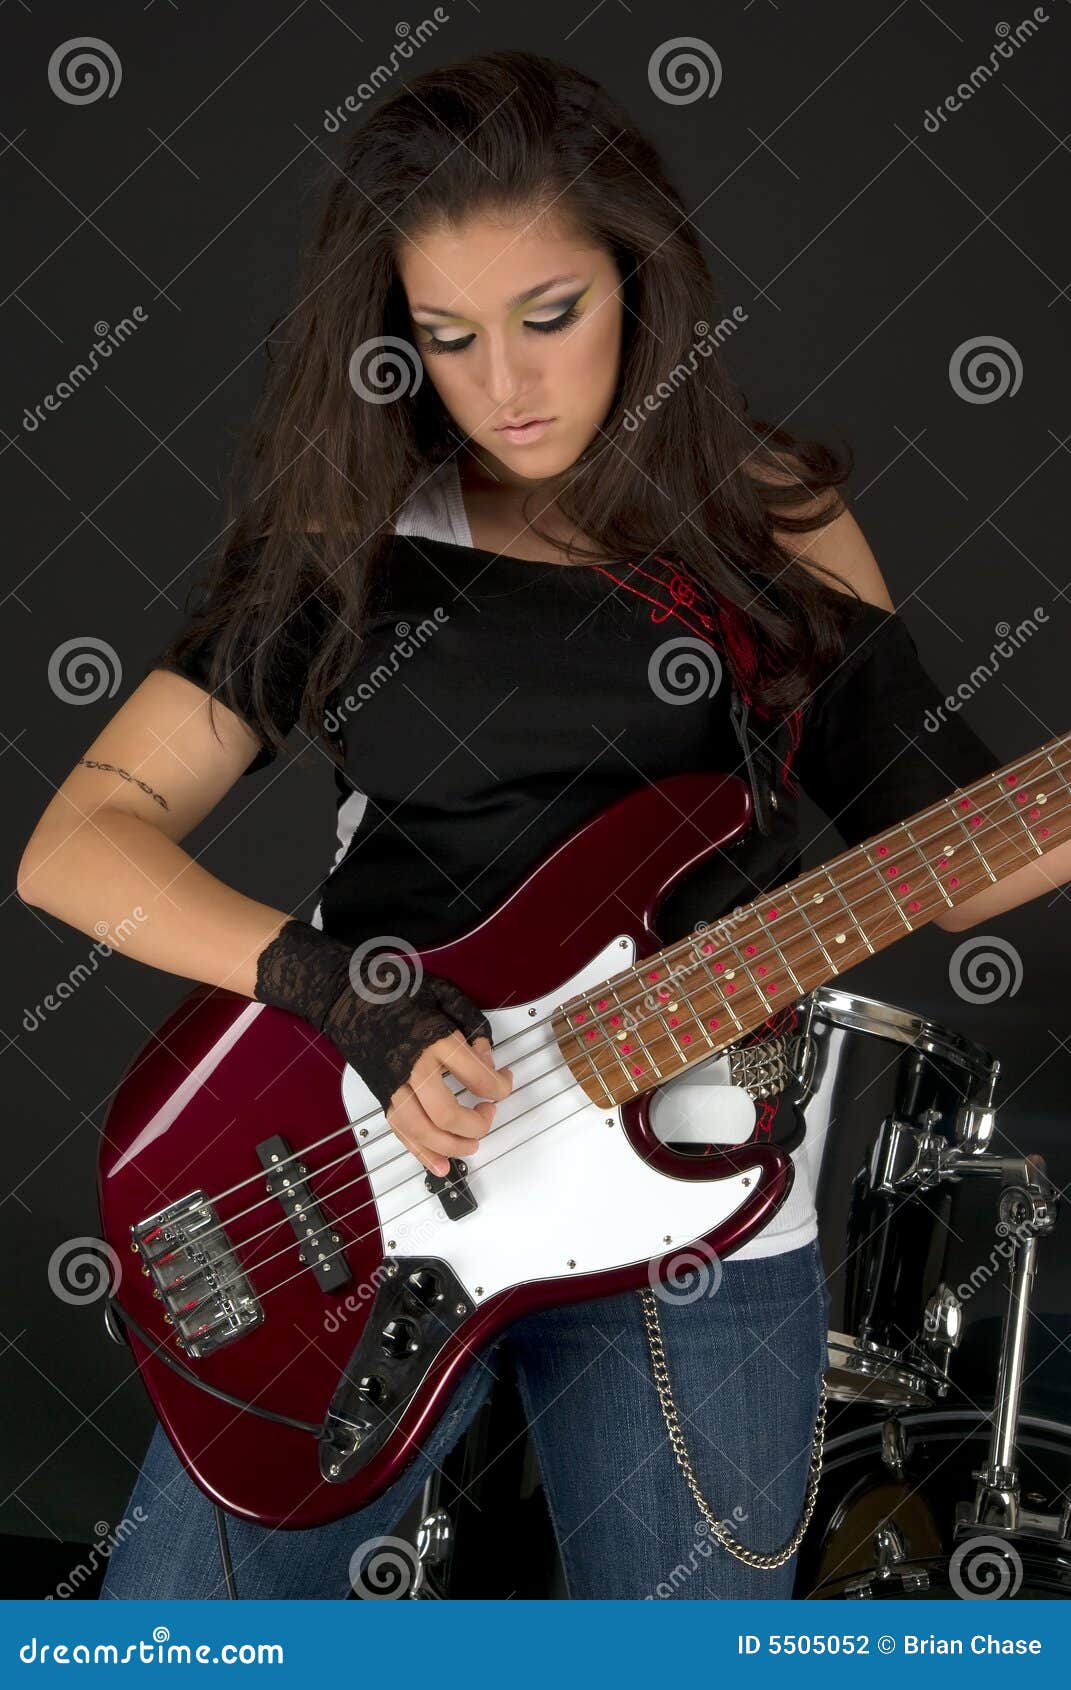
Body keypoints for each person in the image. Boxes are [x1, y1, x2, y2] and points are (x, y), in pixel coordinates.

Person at [17, 49, 1067, 1602]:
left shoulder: (776, 528)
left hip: (697, 1215)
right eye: (447, 338)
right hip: (360, 1183)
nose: (504, 384)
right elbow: (77, 840)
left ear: (642, 290)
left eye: (550, 318)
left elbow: (963, 852)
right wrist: (343, 996)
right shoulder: (355, 538)